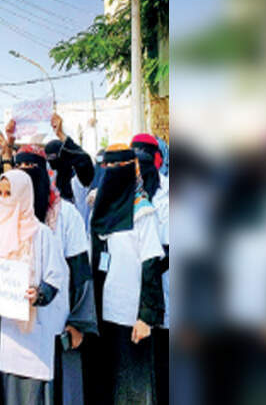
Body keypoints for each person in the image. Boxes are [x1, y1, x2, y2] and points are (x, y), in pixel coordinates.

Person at [0, 169, 68, 405]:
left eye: (10, 194)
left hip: (30, 329)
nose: (4, 199)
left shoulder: (41, 234)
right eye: (0, 193)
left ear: (24, 195)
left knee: (28, 392)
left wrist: (39, 294)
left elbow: (55, 276)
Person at [15, 147, 97, 405]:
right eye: (22, 170)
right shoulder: (8, 216)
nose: (28, 177)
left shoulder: (67, 215)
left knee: (61, 392)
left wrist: (78, 322)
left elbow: (82, 271)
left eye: (33, 169)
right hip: (19, 327)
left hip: (59, 321)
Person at [86, 145, 164, 405]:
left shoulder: (143, 211)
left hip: (131, 318)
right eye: (106, 167)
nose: (109, 173)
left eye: (116, 168)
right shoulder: (100, 207)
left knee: (132, 390)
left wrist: (146, 317)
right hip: (102, 315)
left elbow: (151, 264)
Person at [130, 134, 170, 405]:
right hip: (136, 300)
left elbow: (166, 249)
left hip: (164, 289)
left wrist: (148, 268)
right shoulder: (128, 193)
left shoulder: (168, 196)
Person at [43, 115, 95, 219]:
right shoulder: (46, 181)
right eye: (48, 158)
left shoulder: (77, 181)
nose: (51, 162)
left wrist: (61, 135)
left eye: (54, 157)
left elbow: (83, 159)